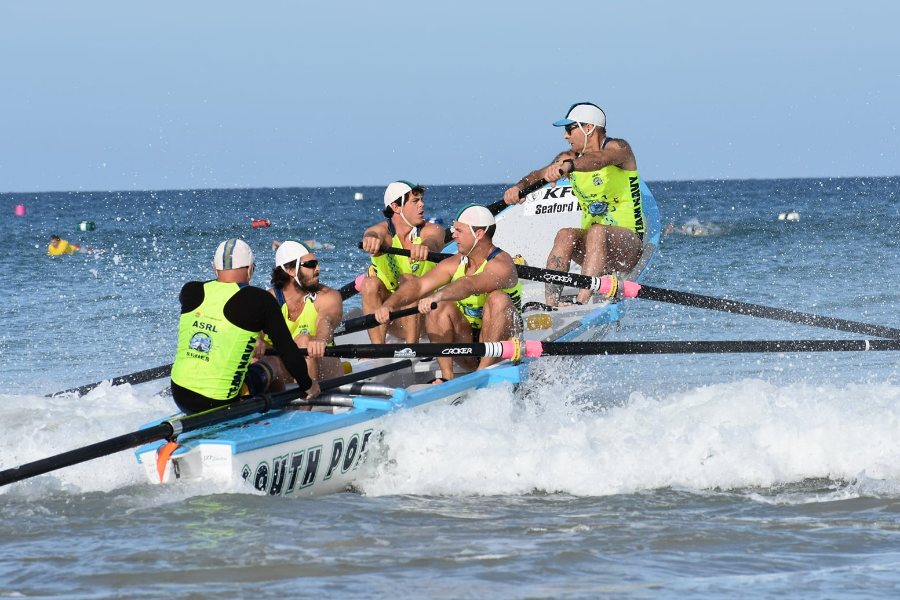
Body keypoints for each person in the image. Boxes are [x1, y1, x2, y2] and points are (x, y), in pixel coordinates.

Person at [503, 102, 645, 306]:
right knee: (565, 234)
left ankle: (582, 301)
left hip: (628, 245)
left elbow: (599, 160)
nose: (565, 136)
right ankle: (550, 304)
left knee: (597, 231)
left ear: (589, 128)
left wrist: (569, 167)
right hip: (593, 248)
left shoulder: (619, 148)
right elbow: (537, 175)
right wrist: (519, 187)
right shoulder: (567, 158)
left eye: (570, 129)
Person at [170, 238, 319, 415]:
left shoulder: (190, 290)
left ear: (214, 268)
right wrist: (309, 385)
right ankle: (284, 414)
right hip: (220, 403)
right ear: (250, 270)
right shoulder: (260, 300)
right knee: (274, 362)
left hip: (179, 395)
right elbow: (288, 353)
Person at [374, 204, 522, 383]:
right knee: (439, 306)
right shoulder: (455, 262)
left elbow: (470, 284)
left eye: (459, 230)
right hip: (467, 346)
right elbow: (419, 286)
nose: (453, 235)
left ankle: (483, 373)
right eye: (453, 229)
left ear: (479, 234)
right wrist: (389, 304)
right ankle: (446, 377)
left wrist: (437, 295)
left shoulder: (502, 264)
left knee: (498, 299)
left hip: (502, 348)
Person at [360, 180, 445, 344]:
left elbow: (434, 241)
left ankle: (412, 349)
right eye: (415, 201)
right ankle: (378, 349)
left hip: (427, 317)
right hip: (392, 320)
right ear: (396, 207)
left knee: (408, 279)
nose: (422, 204)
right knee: (369, 284)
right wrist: (370, 240)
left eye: (421, 199)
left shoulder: (431, 229)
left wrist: (425, 247)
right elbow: (372, 233)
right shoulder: (383, 232)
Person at [254, 240, 344, 382]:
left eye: (316, 263)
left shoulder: (328, 296)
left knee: (303, 340)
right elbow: (254, 328)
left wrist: (320, 339)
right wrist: (256, 340)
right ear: (290, 270)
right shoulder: (267, 300)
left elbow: (326, 321)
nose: (318, 268)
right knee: (254, 345)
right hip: (287, 369)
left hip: (325, 368)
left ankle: (306, 400)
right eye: (311, 265)